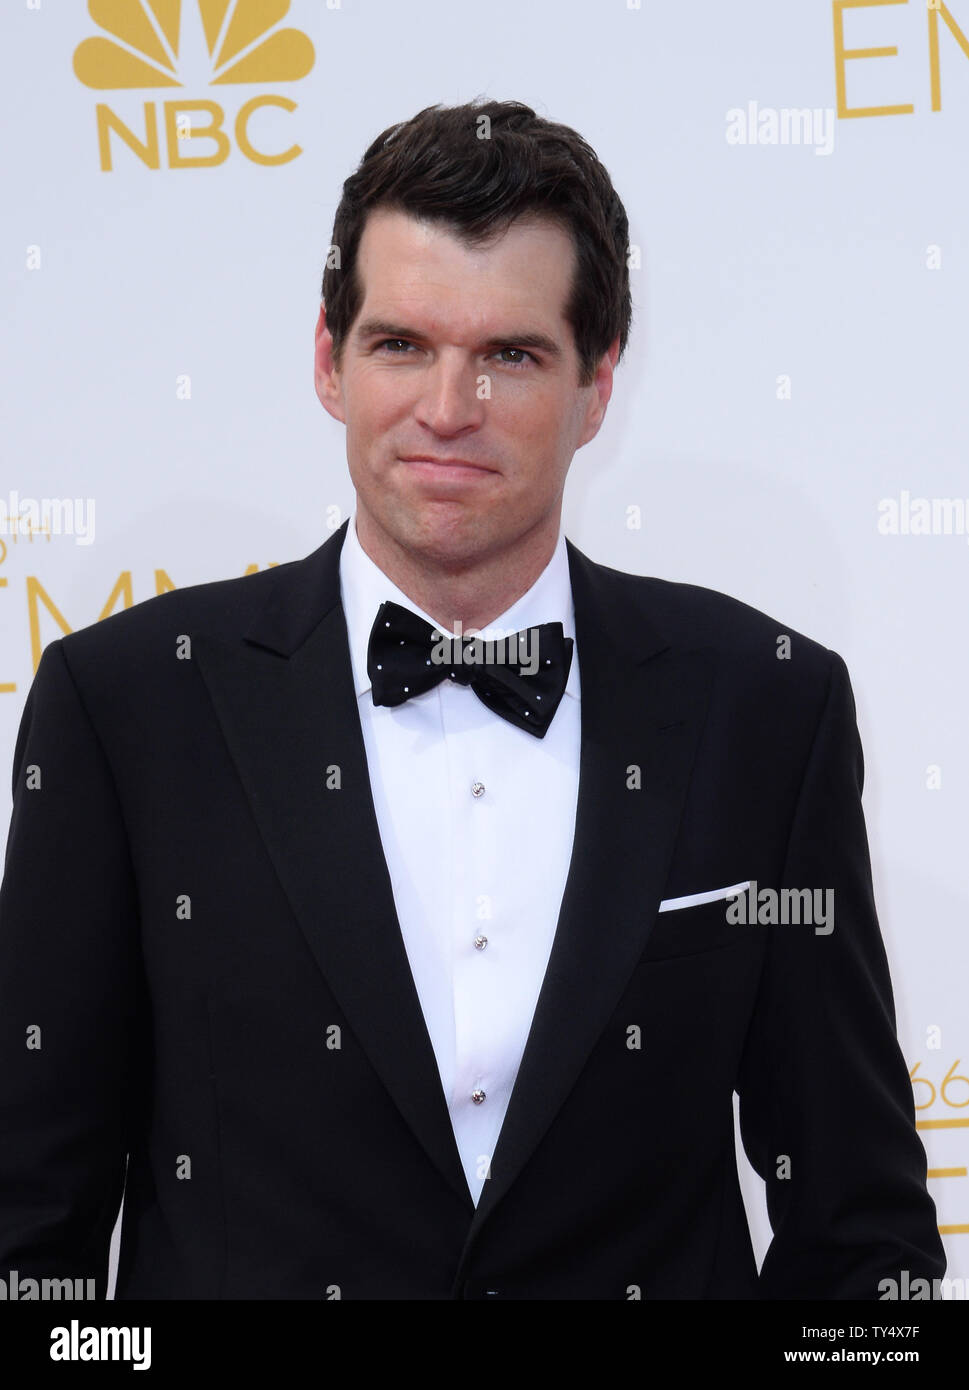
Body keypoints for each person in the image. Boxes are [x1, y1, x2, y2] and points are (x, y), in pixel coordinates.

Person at [0, 99, 945, 1300]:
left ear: (599, 385)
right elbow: (31, 1231)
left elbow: (861, 1234)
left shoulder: (762, 708)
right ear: (326, 361)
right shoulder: (128, 708)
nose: (449, 408)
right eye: (401, 345)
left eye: (510, 354)